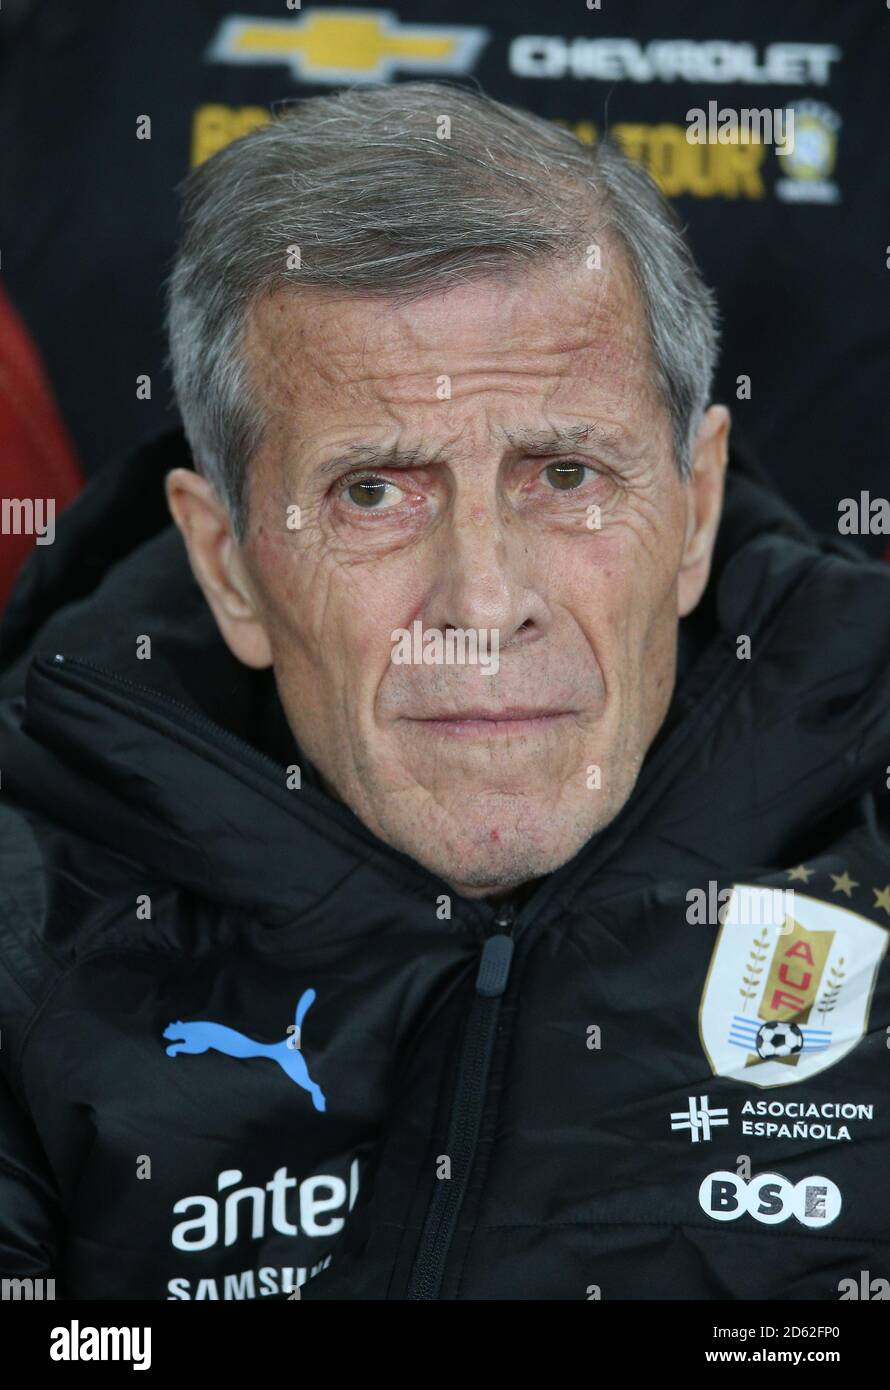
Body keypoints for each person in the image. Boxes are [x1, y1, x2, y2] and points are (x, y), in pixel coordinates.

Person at [0, 82, 888, 1302]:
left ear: (691, 511)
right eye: (373, 492)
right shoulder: (25, 927)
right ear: (231, 567)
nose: (483, 602)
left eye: (564, 472)